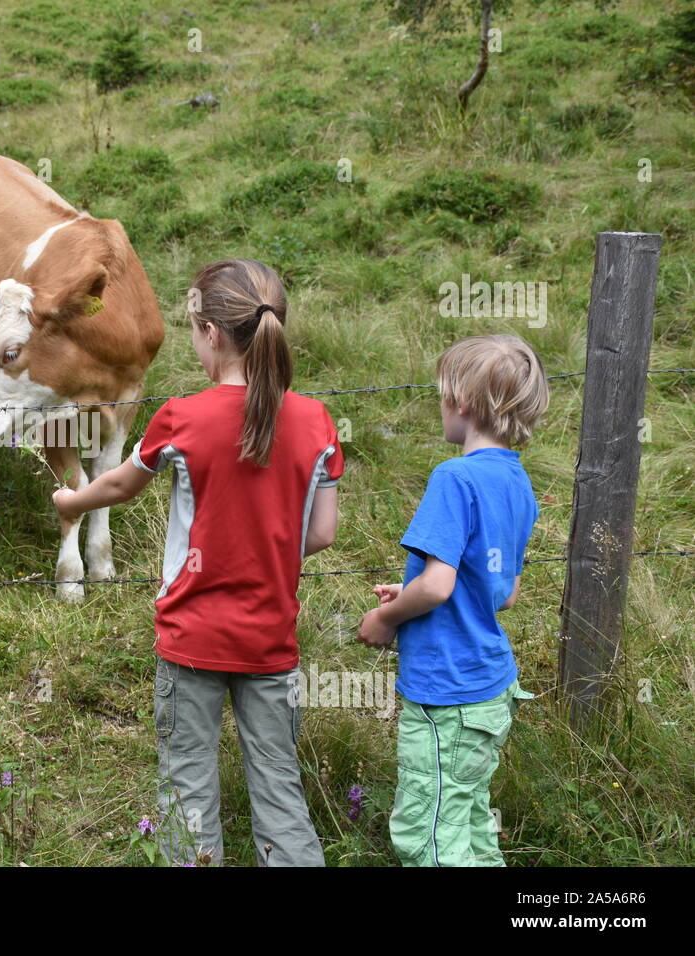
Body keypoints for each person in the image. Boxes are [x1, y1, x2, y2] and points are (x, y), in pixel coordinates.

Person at [53, 258, 341, 866]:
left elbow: (118, 488)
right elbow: (321, 534)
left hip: (192, 637)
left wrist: (70, 499)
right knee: (278, 784)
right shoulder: (316, 420)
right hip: (270, 639)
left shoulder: (181, 417)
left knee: (186, 785)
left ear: (211, 333)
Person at [358, 334, 549, 867]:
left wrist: (386, 616)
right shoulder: (518, 482)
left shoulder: (454, 477)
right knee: (468, 820)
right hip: (491, 690)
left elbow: (438, 587)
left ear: (462, 402)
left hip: (449, 693)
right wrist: (412, 591)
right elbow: (502, 592)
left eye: (442, 395)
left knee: (429, 837)